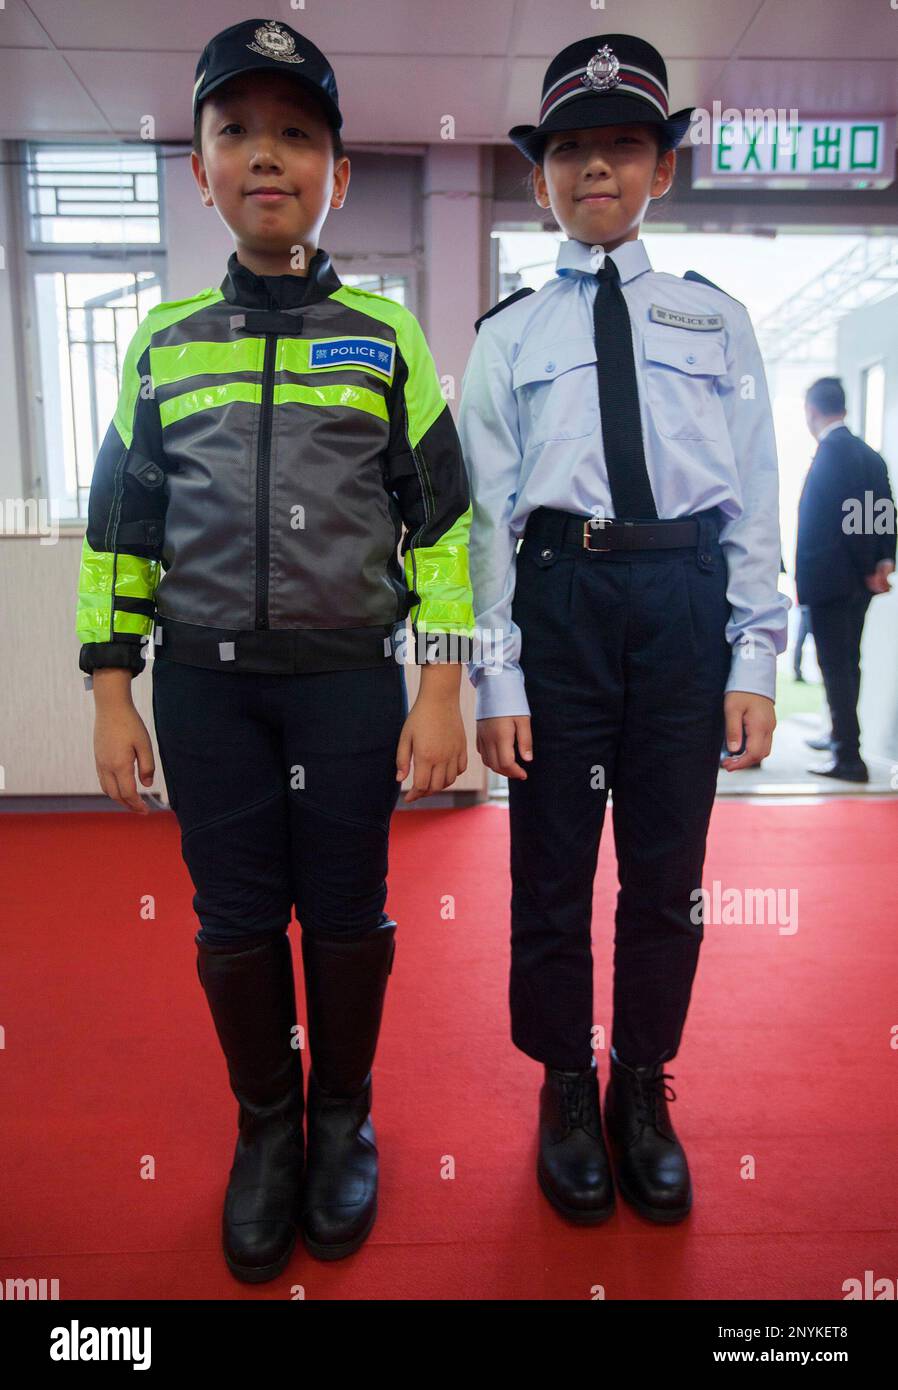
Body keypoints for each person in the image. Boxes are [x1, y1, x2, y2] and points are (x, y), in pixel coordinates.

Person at [74, 18, 475, 1282]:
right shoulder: (162, 344)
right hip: (206, 696)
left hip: (351, 691)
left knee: (348, 916)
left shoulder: (388, 339)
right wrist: (110, 693)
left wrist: (442, 684)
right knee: (236, 921)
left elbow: (444, 528)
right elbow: (119, 531)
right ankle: (265, 1129)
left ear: (336, 174)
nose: (266, 156)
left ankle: (342, 1118)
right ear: (197, 168)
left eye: (296, 134)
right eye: (237, 131)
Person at [458, 33, 790, 1225]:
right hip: (558, 605)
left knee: (667, 873)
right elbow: (485, 522)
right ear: (540, 172)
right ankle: (562, 1081)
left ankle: (641, 1084)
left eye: (623, 145)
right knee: (549, 868)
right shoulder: (506, 336)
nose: (595, 166)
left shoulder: (718, 322)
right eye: (571, 149)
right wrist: (491, 676)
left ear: (662, 169)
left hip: (684, 607)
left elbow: (750, 489)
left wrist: (754, 651)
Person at [796, 377, 896, 782]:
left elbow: (847, 526)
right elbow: (884, 510)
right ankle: (840, 735)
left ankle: (848, 756)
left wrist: (864, 565)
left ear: (811, 411)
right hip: (858, 583)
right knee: (846, 663)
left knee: (836, 665)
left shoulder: (831, 454)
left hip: (834, 582)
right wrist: (883, 561)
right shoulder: (869, 456)